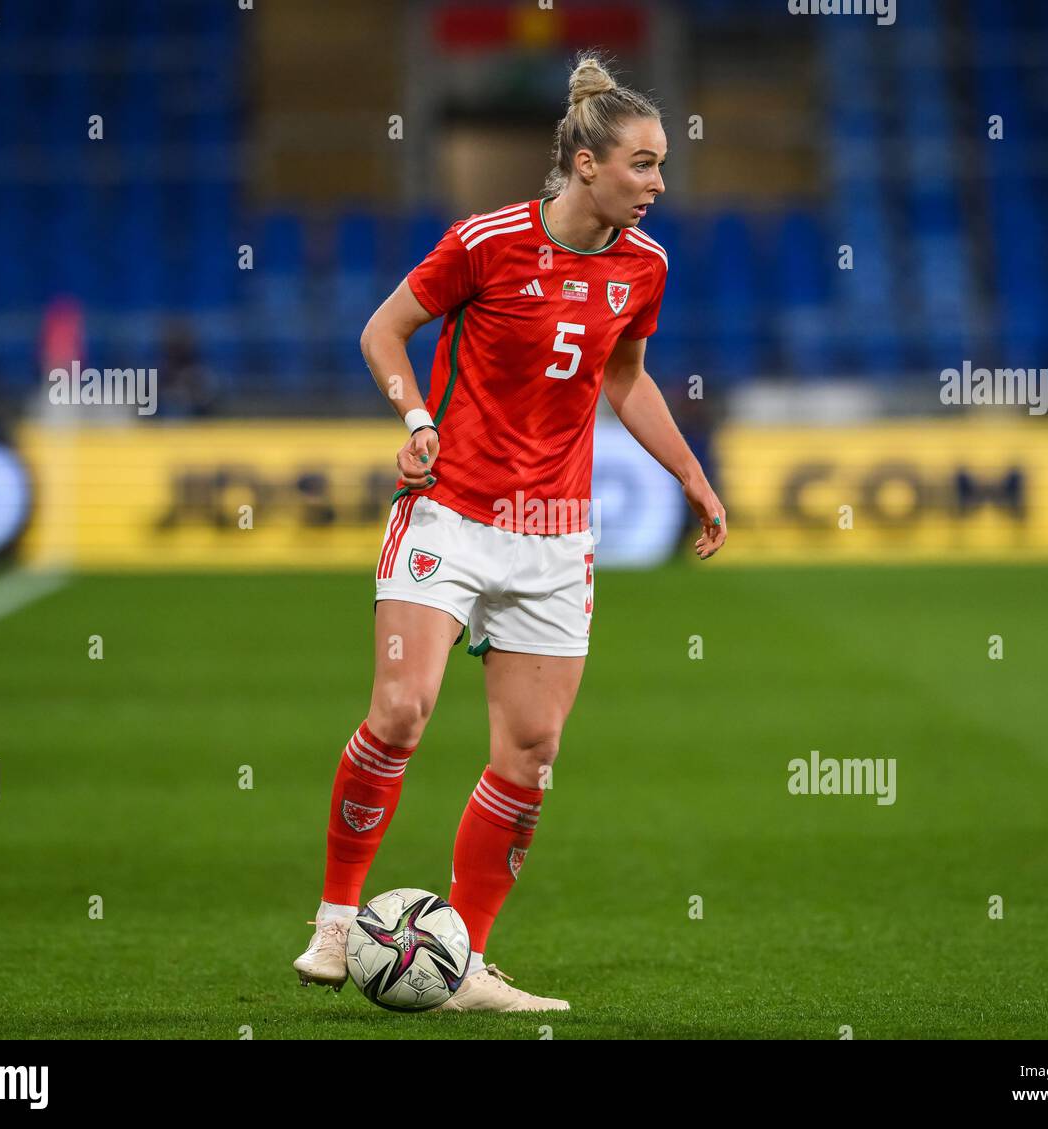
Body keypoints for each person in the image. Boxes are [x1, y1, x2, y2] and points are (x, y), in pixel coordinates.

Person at [294, 52, 727, 1012]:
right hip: (448, 511)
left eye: (660, 165)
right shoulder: (486, 242)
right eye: (644, 164)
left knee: (529, 753)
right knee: (402, 711)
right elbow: (382, 329)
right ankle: (335, 917)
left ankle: (465, 962)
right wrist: (416, 422)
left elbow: (623, 376)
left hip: (554, 536)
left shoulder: (644, 265)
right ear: (585, 165)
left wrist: (692, 474)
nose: (660, 182)